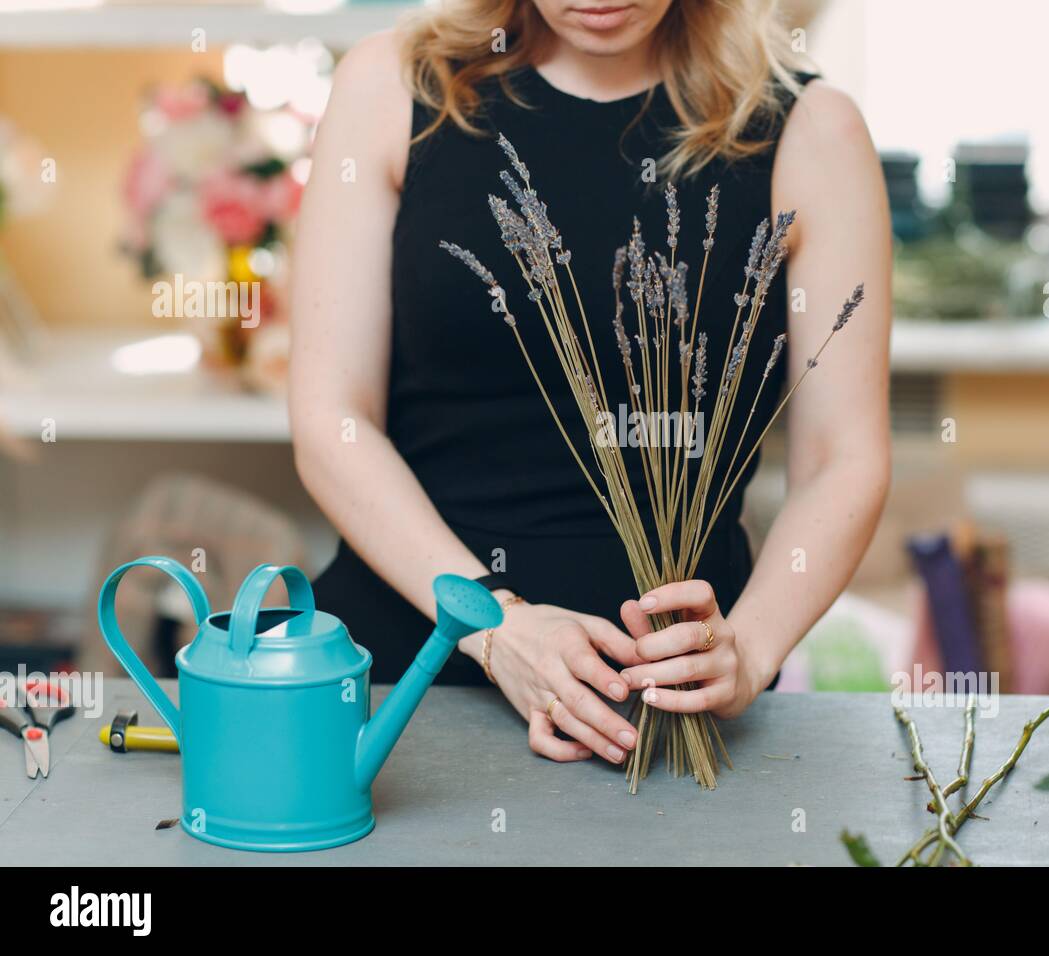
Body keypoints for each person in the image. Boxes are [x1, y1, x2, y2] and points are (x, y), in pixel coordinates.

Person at [289, 0, 891, 767]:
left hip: (673, 716)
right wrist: (494, 626)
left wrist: (753, 646)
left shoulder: (812, 131)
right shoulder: (395, 86)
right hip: (403, 688)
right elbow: (331, 421)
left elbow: (845, 458)